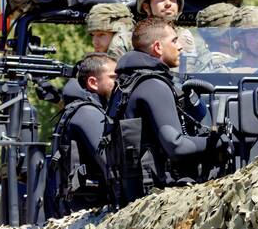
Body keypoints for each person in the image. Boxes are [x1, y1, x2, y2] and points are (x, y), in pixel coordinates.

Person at [106, 17, 223, 202]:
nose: (180, 47)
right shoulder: (152, 84)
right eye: (174, 41)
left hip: (133, 195)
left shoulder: (126, 83)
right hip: (155, 199)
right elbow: (176, 145)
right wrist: (217, 142)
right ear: (158, 47)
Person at [43, 52, 116, 217]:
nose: (119, 83)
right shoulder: (88, 113)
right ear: (93, 83)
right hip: (85, 215)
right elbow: (112, 164)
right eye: (113, 77)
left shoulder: (82, 109)